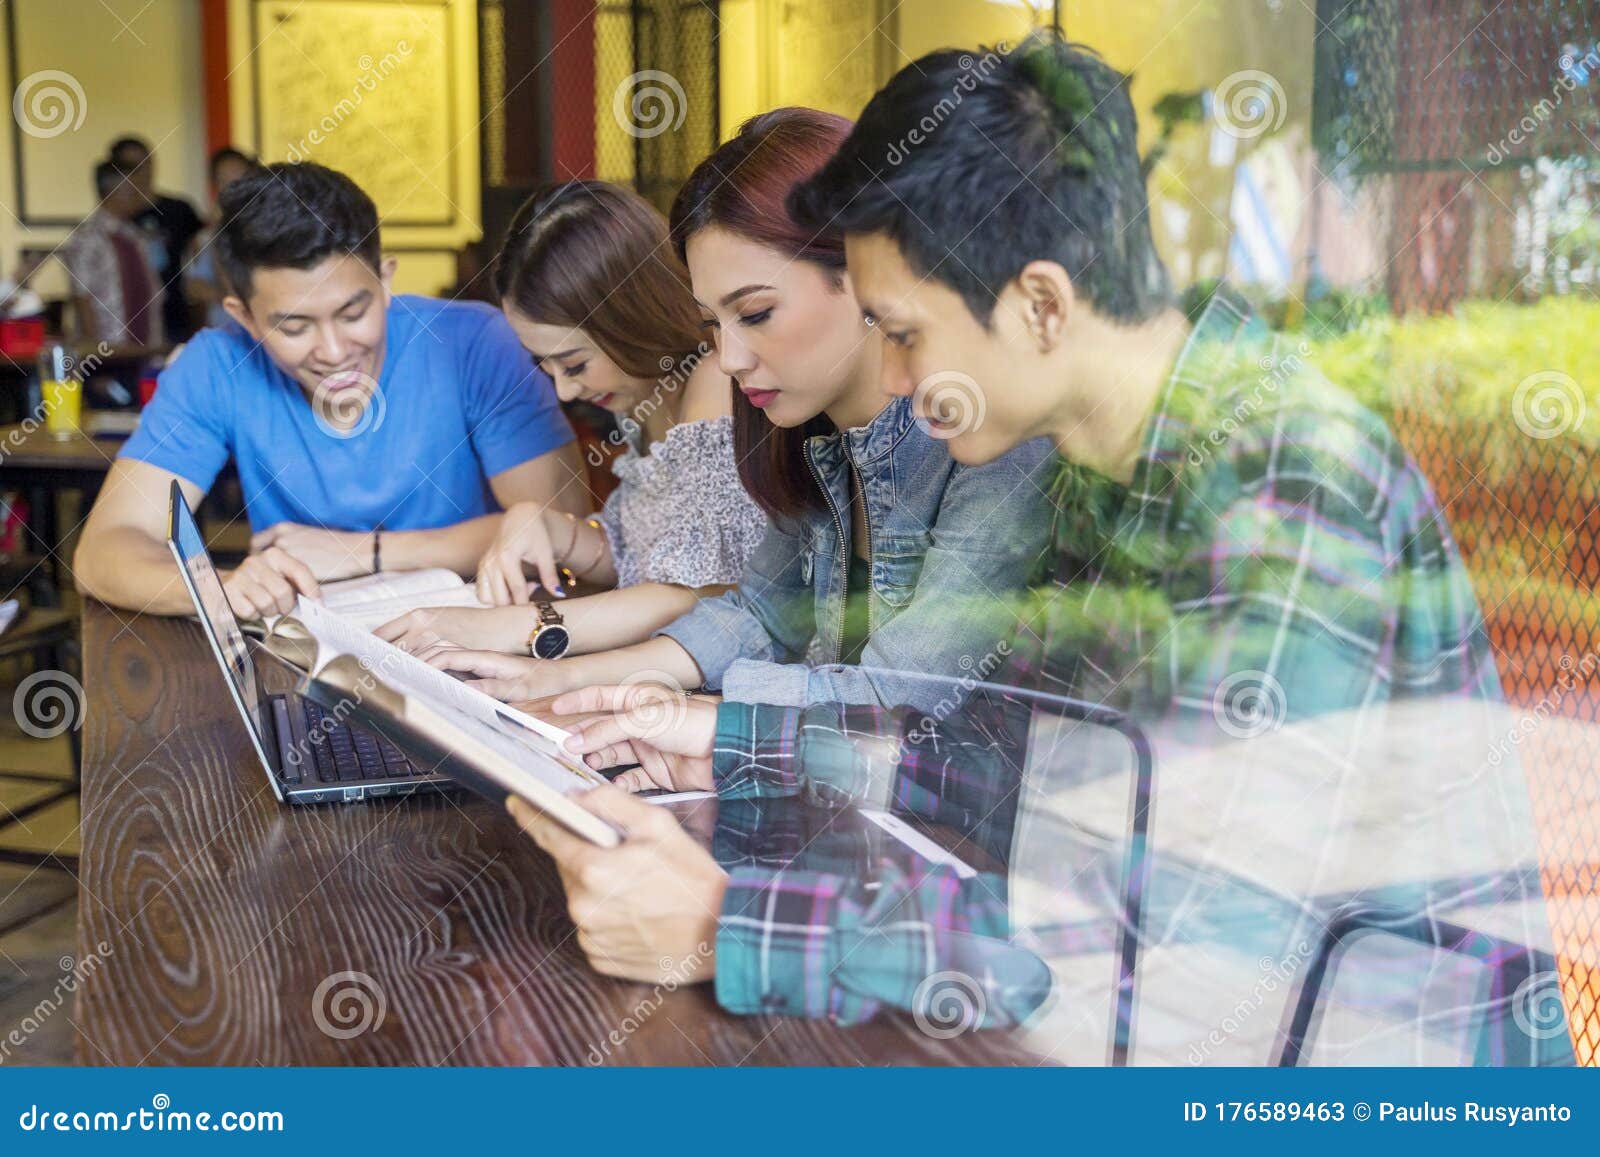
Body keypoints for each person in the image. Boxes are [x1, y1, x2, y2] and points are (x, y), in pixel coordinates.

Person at [511, 37, 1505, 1031]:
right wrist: (728, 745)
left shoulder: (1282, 488)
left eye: (903, 332)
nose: (894, 382)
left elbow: (1176, 941)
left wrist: (727, 921)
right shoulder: (1101, 456)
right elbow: (1016, 767)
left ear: (1039, 303)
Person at [427, 109, 1055, 714]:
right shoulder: (807, 432)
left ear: (868, 274)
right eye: (713, 323)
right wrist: (554, 677)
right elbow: (756, 616)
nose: (727, 358)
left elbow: (897, 697)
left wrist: (704, 723)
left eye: (754, 314)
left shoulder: (988, 434)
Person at [75, 161, 585, 620]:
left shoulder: (475, 342)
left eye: (353, 312)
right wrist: (219, 589)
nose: (335, 350)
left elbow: (558, 529)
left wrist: (361, 552)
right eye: (295, 328)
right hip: (314, 651)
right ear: (245, 318)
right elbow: (104, 552)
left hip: (480, 634)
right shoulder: (217, 364)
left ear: (385, 280)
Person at [375, 179, 768, 659]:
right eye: (545, 366)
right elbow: (634, 557)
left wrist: (521, 626)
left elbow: (703, 596)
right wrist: (543, 524)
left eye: (575, 364)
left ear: (630, 318)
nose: (564, 390)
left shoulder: (713, 382)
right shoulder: (645, 398)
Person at [110, 135, 205, 342]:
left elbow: (202, 251)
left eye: (146, 163)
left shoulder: (179, 209)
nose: (141, 172)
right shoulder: (117, 219)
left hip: (177, 312)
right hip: (129, 315)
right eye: (132, 167)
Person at [60, 161, 165, 349]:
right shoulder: (88, 236)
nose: (140, 195)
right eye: (134, 188)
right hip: (107, 348)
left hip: (144, 346)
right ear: (113, 191)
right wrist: (94, 350)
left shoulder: (135, 235)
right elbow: (81, 295)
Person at [186, 147, 262, 330]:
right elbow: (194, 289)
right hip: (224, 331)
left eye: (239, 180)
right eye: (224, 181)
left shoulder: (266, 230)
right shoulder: (204, 238)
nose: (233, 188)